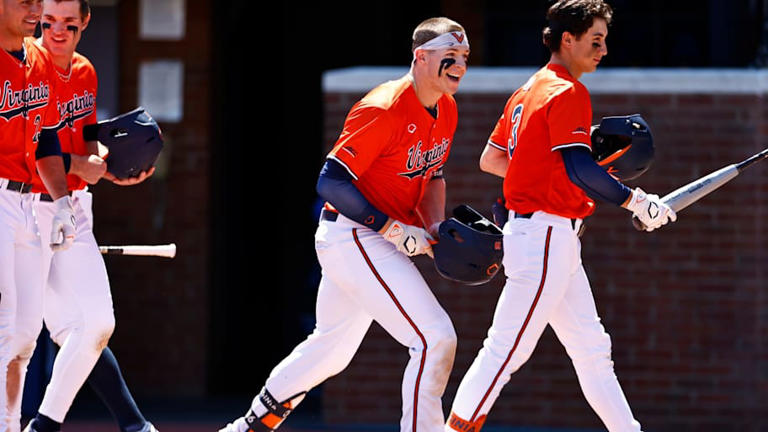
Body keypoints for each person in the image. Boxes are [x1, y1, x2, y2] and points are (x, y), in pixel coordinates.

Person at [220, 17, 469, 432]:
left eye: (463, 56)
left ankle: (246, 427)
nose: (459, 64)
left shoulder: (447, 107)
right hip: (355, 233)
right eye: (450, 56)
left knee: (330, 350)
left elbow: (432, 176)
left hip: (376, 237)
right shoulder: (384, 105)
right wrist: (391, 229)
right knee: (435, 338)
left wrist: (436, 228)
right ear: (421, 57)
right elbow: (330, 182)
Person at [444, 1, 675, 431]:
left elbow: (493, 159)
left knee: (592, 349)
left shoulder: (530, 88)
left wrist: (540, 177)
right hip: (544, 236)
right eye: (596, 40)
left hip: (550, 236)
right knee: (505, 350)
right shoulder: (567, 91)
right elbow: (581, 168)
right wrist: (637, 201)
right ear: (567, 39)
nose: (603, 50)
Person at [16, 1, 156, 432]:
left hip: (76, 208)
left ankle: (45, 426)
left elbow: (82, 137)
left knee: (95, 325)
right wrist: (80, 165)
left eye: (69, 24)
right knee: (28, 336)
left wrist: (113, 166)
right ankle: (133, 425)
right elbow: (31, 145)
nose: (57, 32)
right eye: (49, 21)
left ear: (85, 23)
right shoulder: (22, 63)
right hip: (25, 207)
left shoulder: (84, 71)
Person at [0, 0, 75, 430]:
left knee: (27, 333)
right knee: (5, 322)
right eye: (25, 0)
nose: (36, 9)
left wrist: (62, 200)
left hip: (28, 201)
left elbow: (47, 138)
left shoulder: (39, 57)